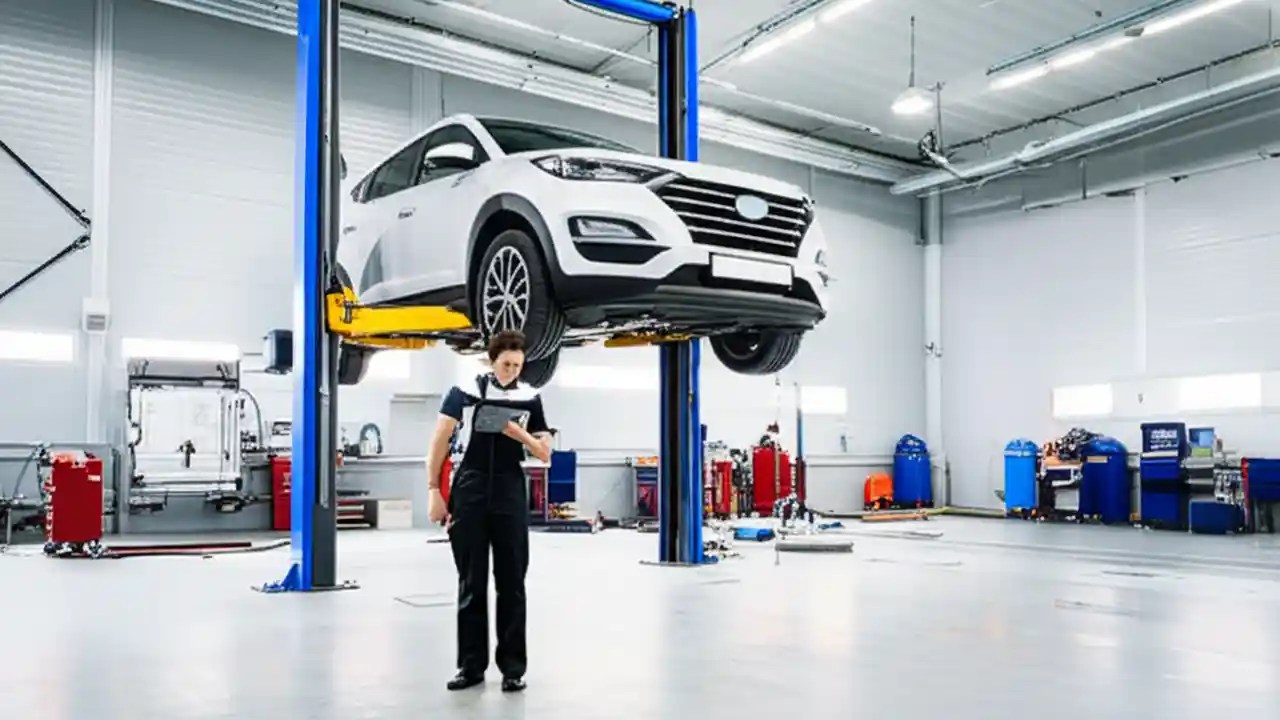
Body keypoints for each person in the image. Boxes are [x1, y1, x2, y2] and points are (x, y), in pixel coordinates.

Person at [426, 330, 553, 693]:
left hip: (510, 489)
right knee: (471, 581)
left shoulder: (530, 397)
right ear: (492, 360)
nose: (511, 371)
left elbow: (545, 450)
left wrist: (521, 435)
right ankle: (470, 667)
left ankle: (513, 668)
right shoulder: (465, 392)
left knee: (512, 581)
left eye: (517, 365)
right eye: (506, 364)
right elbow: (439, 440)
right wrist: (435, 490)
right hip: (470, 488)